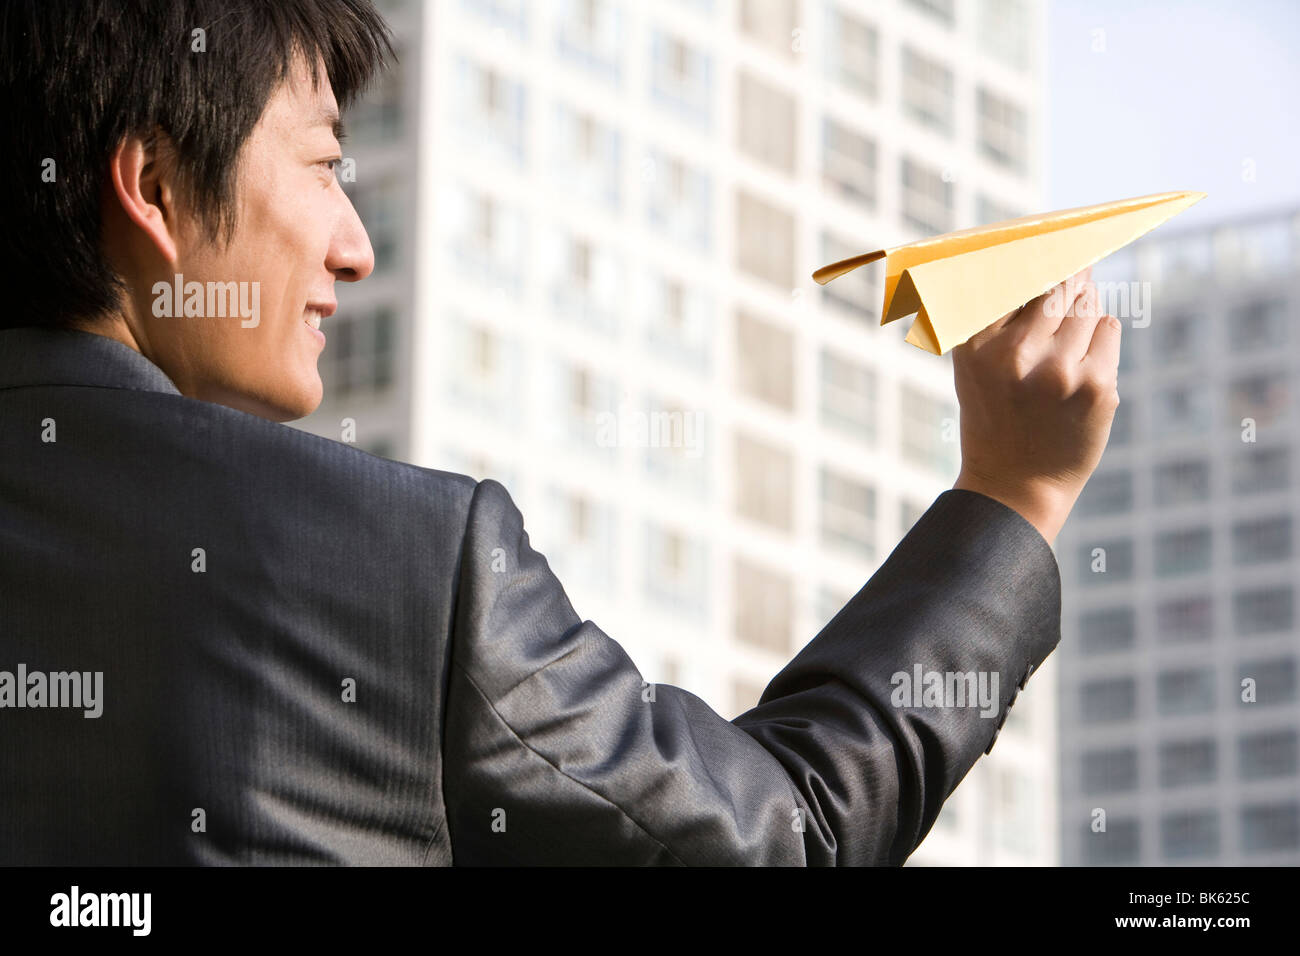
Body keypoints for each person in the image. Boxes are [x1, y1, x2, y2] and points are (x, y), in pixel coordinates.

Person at [0, 0, 1120, 865]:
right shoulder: (396, 564)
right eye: (323, 165)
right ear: (149, 184)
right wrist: (1009, 499)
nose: (355, 247)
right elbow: (783, 836)